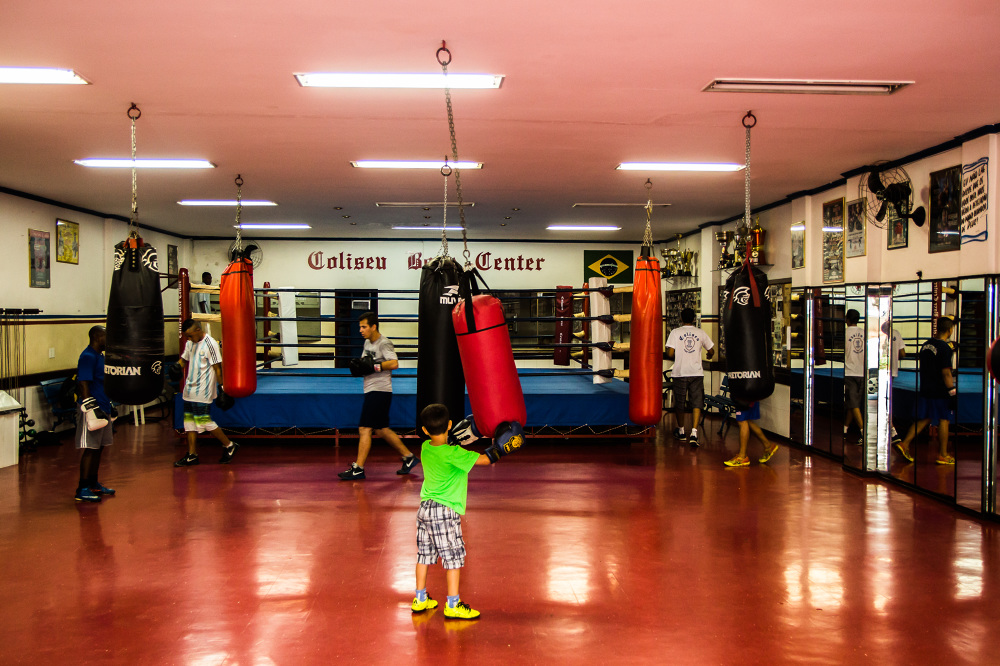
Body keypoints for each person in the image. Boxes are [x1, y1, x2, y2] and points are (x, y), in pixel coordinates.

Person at [412, 404, 513, 620]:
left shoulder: (425, 447)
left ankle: (420, 599)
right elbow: (485, 459)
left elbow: (443, 446)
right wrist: (505, 447)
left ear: (425, 430)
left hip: (425, 509)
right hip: (444, 511)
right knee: (453, 558)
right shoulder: (455, 453)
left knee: (424, 555)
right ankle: (453, 604)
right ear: (449, 425)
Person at [338, 312, 418, 480]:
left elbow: (394, 363)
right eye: (360, 327)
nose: (360, 330)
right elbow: (365, 363)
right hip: (371, 389)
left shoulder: (384, 343)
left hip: (380, 390)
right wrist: (359, 366)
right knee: (381, 429)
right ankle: (409, 457)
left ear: (373, 326)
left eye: (364, 327)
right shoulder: (367, 342)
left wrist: (374, 367)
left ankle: (358, 468)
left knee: (364, 428)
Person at [174, 319, 239, 467]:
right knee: (189, 422)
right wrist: (176, 366)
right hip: (189, 389)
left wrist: (222, 388)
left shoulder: (211, 344)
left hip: (203, 390)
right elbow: (184, 360)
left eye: (190, 335)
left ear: (198, 330)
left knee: (203, 421)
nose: (188, 339)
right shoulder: (190, 342)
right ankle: (192, 455)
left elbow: (217, 368)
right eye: (186, 337)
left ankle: (229, 445)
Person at [896, 316, 956, 465]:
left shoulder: (926, 345)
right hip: (939, 389)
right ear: (950, 330)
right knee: (944, 419)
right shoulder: (944, 348)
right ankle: (942, 454)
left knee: (925, 418)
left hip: (925, 387)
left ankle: (904, 444)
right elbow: (946, 373)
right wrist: (952, 391)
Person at [74, 326, 116, 502]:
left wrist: (110, 404)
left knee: (99, 447)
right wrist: (91, 407)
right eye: (107, 336)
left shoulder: (100, 356)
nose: (109, 340)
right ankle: (82, 488)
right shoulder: (87, 356)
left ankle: (93, 483)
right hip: (91, 409)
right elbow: (83, 383)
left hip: (103, 406)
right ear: (98, 337)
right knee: (90, 448)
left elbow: (101, 382)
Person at [665, 307, 714, 446]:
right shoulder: (700, 333)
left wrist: (681, 355)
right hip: (696, 373)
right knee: (697, 402)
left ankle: (681, 431)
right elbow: (711, 350)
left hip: (680, 372)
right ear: (694, 319)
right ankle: (694, 433)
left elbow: (669, 354)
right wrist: (709, 355)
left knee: (680, 402)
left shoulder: (675, 333)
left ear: (681, 318)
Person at [723, 401, 779, 467]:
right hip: (750, 397)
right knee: (747, 420)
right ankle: (768, 446)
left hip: (745, 398)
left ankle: (742, 457)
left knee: (742, 421)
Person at [882, 320, 907, 444]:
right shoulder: (896, 333)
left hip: (881, 370)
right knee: (887, 399)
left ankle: (890, 429)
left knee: (882, 400)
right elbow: (903, 353)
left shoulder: (879, 335)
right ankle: (890, 429)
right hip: (892, 371)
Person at [843, 309, 865, 441]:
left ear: (847, 319)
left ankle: (864, 432)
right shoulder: (864, 333)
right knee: (854, 403)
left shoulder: (845, 333)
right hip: (862, 372)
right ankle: (845, 427)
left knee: (854, 404)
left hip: (850, 372)